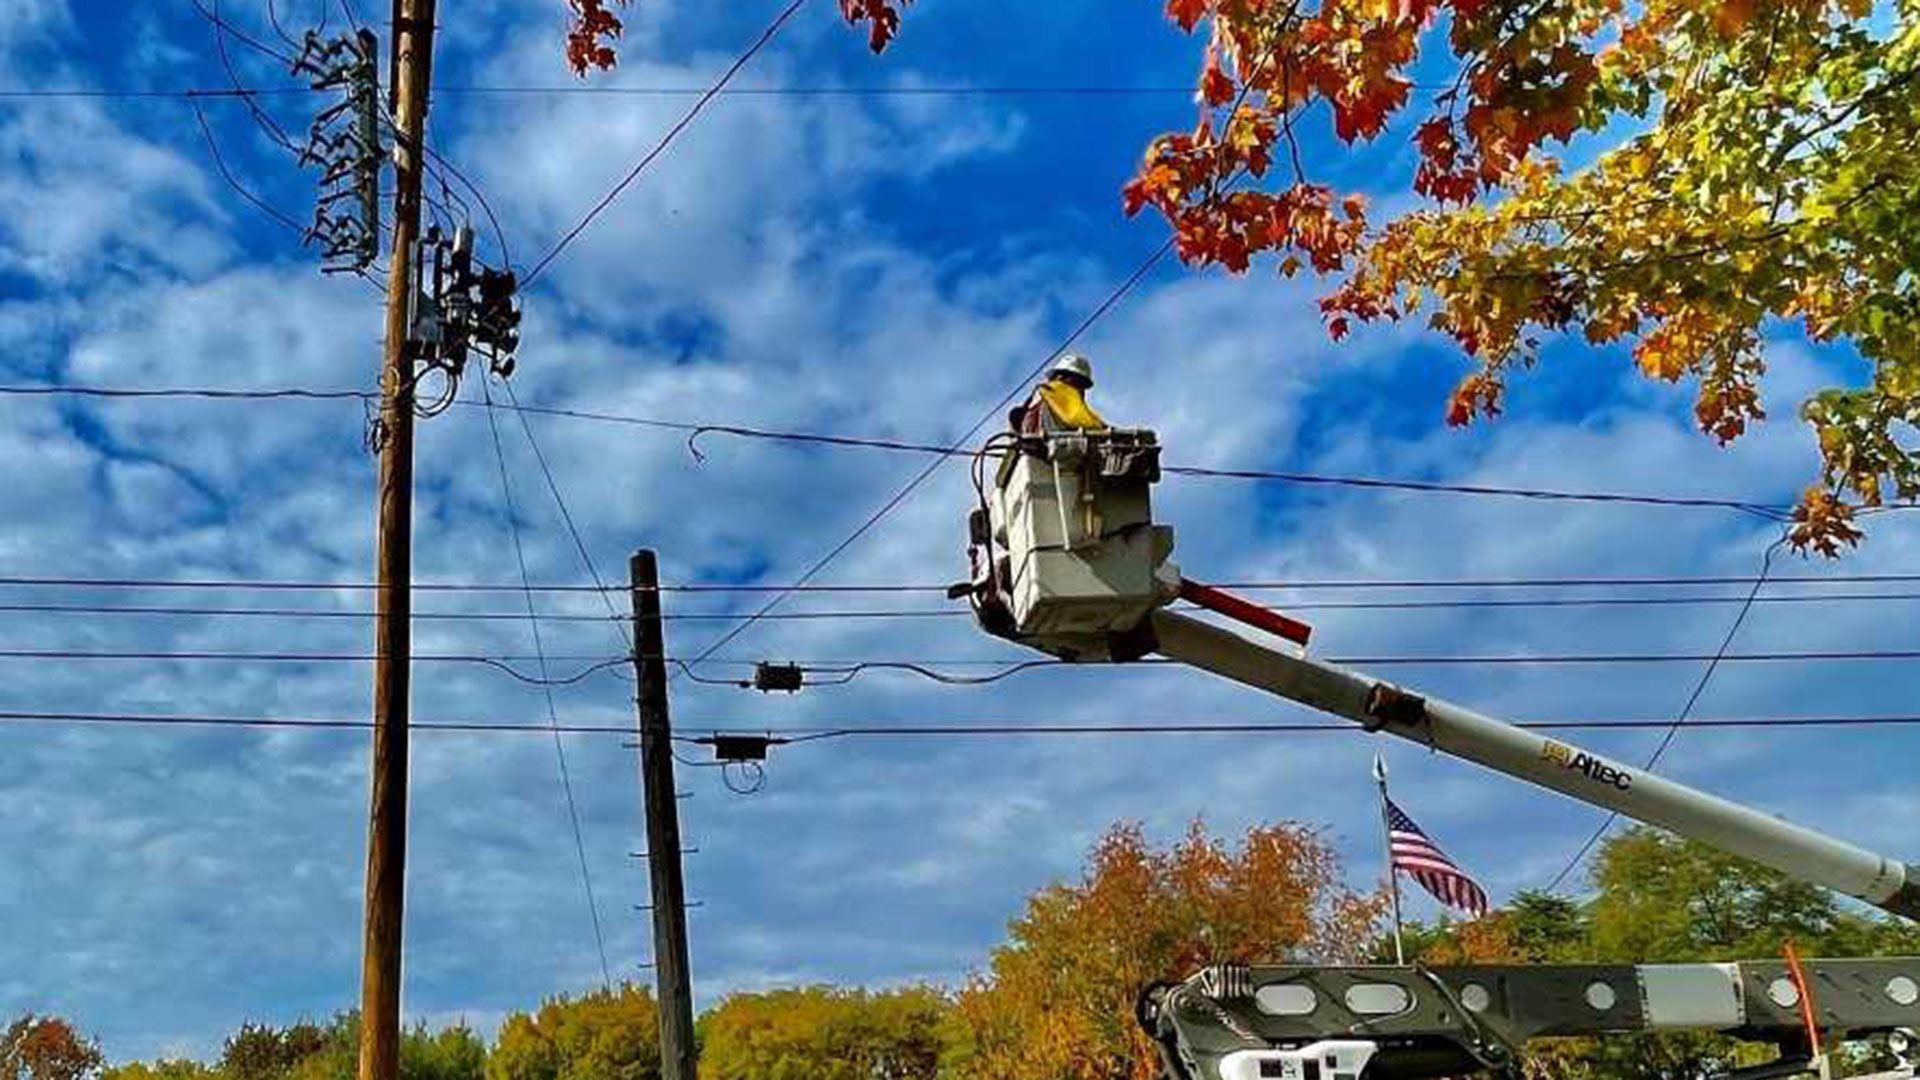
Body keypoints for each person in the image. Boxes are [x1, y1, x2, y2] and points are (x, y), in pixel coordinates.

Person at [1011, 353, 1107, 436]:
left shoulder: (1045, 396)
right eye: (1080, 383)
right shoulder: (1060, 391)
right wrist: (1105, 430)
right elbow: (1079, 419)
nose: (1081, 389)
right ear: (1063, 377)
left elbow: (1089, 417)